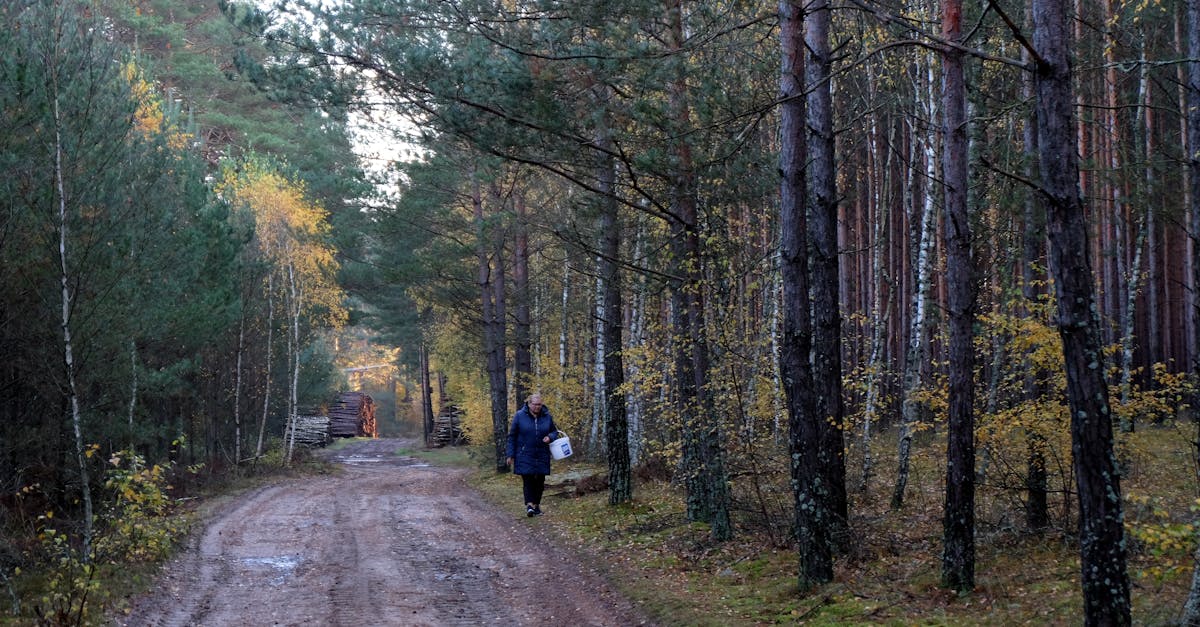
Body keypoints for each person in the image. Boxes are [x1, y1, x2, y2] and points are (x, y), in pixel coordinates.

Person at [506, 393, 560, 517]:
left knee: (540, 481)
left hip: (542, 453)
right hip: (524, 453)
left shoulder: (547, 416)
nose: (537, 407)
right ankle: (529, 505)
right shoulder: (519, 416)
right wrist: (510, 454)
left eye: (539, 404)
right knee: (528, 478)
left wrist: (550, 437)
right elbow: (512, 436)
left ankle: (536, 505)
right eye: (535, 404)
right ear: (529, 404)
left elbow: (554, 431)